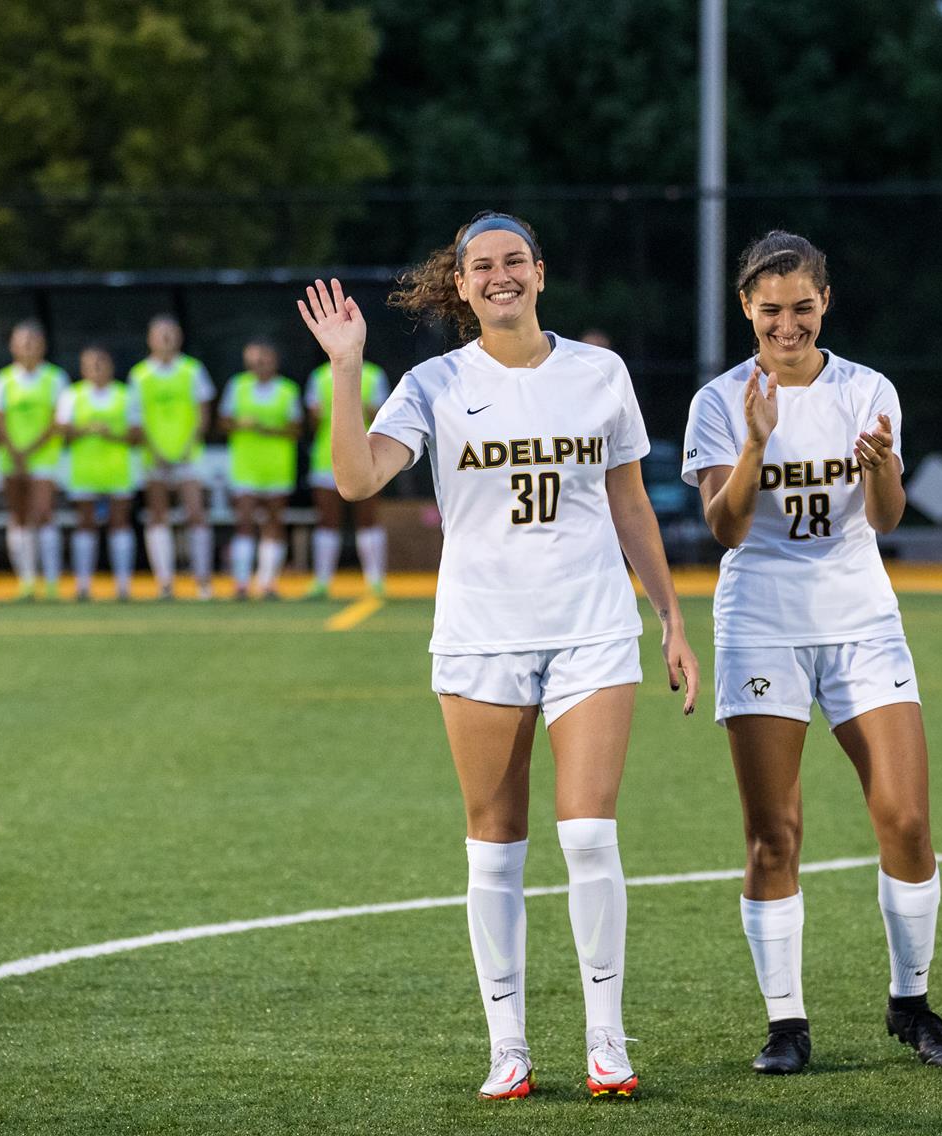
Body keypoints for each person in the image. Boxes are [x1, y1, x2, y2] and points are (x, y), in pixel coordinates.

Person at [296, 211, 699, 1101]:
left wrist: (669, 615)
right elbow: (358, 479)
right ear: (463, 284)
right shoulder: (435, 382)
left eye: (515, 261)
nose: (500, 276)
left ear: (541, 273)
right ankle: (508, 1046)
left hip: (592, 625)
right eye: (483, 267)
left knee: (590, 832)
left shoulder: (601, 372)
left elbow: (631, 504)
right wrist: (347, 364)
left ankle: (607, 1040)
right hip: (481, 633)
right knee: (496, 847)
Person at [683, 231, 942, 1075]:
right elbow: (724, 529)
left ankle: (910, 1004)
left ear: (825, 303)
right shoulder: (720, 399)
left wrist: (880, 467)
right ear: (746, 308)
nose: (787, 325)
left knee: (906, 818)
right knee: (775, 833)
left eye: (802, 307)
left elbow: (886, 518)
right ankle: (787, 1025)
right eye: (770, 310)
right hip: (762, 616)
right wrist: (756, 443)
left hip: (859, 614)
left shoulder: (866, 388)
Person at [131, 315, 217, 599]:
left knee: (196, 514)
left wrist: (185, 449)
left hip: (188, 456)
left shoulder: (192, 370)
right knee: (158, 516)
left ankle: (203, 581)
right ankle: (165, 583)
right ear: (150, 339)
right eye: (160, 334)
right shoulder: (140, 374)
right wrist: (156, 452)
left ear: (179, 337)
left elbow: (203, 414)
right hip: (154, 457)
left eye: (171, 333)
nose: (166, 338)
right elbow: (136, 419)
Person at [0, 320, 69, 600]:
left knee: (44, 513)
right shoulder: (3, 380)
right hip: (12, 459)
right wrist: (15, 451)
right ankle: (27, 580)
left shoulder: (55, 378)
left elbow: (58, 420)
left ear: (43, 345)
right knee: (19, 517)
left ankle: (52, 581)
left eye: (33, 341)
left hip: (43, 457)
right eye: (23, 341)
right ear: (13, 346)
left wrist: (30, 450)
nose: (28, 346)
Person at [59, 345, 142, 602]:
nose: (97, 369)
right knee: (85, 525)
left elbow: (138, 434)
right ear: (83, 368)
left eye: (102, 363)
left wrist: (112, 434)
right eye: (91, 364)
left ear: (111, 366)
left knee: (120, 524)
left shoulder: (125, 395)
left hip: (118, 469)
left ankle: (123, 586)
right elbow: (61, 431)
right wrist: (86, 430)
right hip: (85, 470)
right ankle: (83, 585)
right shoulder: (72, 395)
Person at [304, 355, 389, 599]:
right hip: (326, 458)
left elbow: (380, 415)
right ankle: (322, 582)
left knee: (367, 517)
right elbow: (314, 418)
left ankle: (375, 581)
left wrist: (356, 406)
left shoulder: (373, 374)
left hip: (365, 455)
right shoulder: (319, 376)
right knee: (327, 520)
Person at [221, 339, 299, 600]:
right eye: (254, 360)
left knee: (273, 523)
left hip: (276, 466)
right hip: (245, 467)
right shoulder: (237, 386)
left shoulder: (287, 390)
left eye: (264, 358)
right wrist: (239, 423)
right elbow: (223, 422)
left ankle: (267, 583)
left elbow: (297, 428)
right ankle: (241, 583)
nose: (259, 364)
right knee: (244, 522)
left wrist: (269, 429)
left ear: (274, 360)